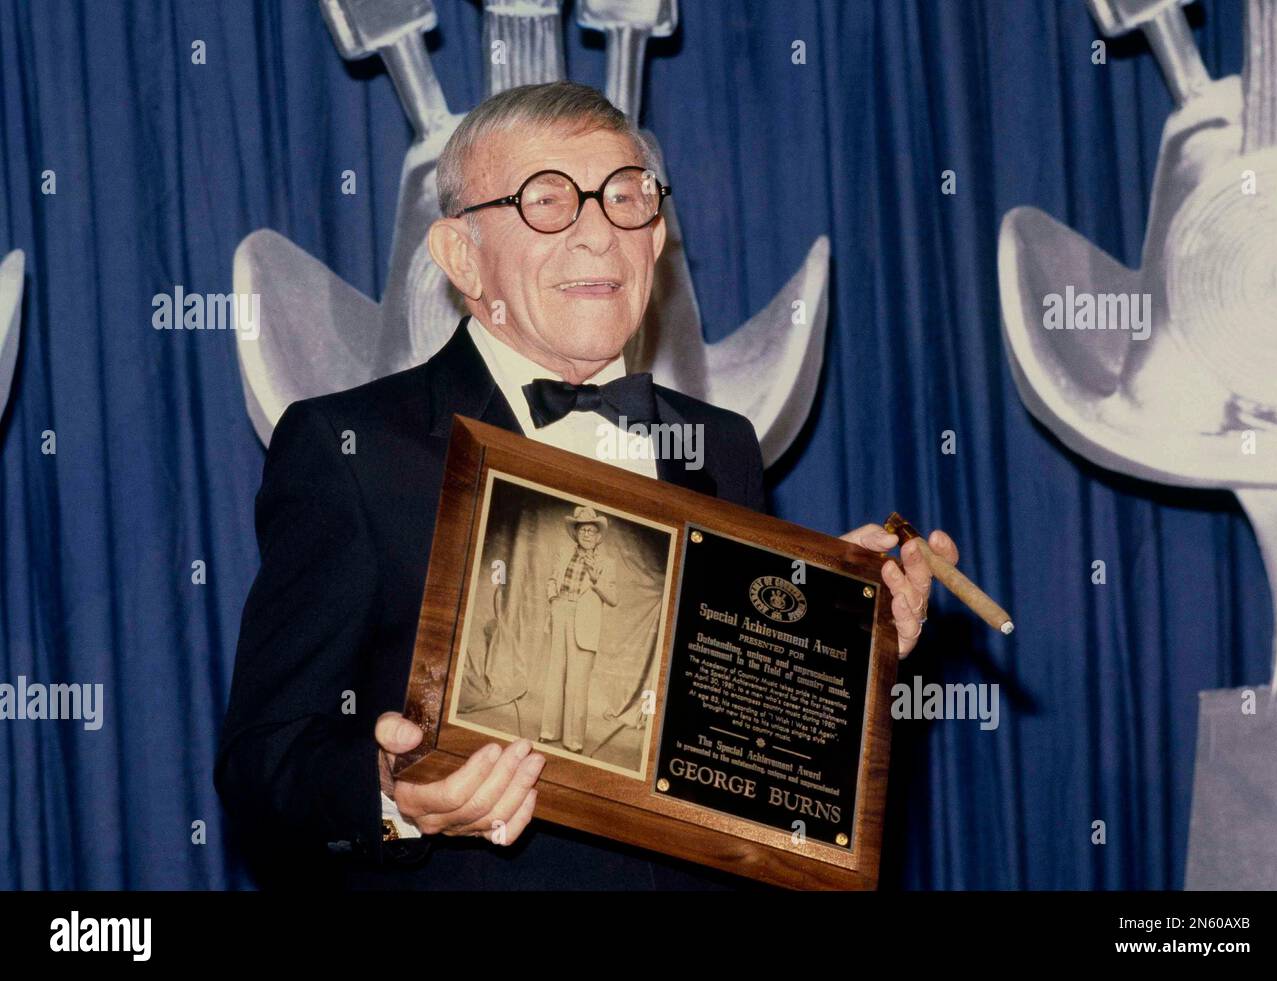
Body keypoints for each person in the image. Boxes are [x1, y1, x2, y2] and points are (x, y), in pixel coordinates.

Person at [215, 80, 959, 889]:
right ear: (462, 256)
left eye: (627, 200)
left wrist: (843, 636)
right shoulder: (351, 450)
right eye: (549, 202)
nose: (599, 236)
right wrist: (393, 793)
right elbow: (266, 760)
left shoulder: (720, 447)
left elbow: (733, 752)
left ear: (658, 238)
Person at [541, 507, 618, 754]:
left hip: (585, 622)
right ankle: (548, 732)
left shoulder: (607, 563)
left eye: (591, 530)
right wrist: (553, 599)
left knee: (577, 683)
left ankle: (573, 741)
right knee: (555, 676)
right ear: (576, 533)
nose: (586, 534)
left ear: (598, 537)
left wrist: (596, 581)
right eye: (582, 529)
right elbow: (552, 580)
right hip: (561, 612)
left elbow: (614, 598)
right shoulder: (564, 553)